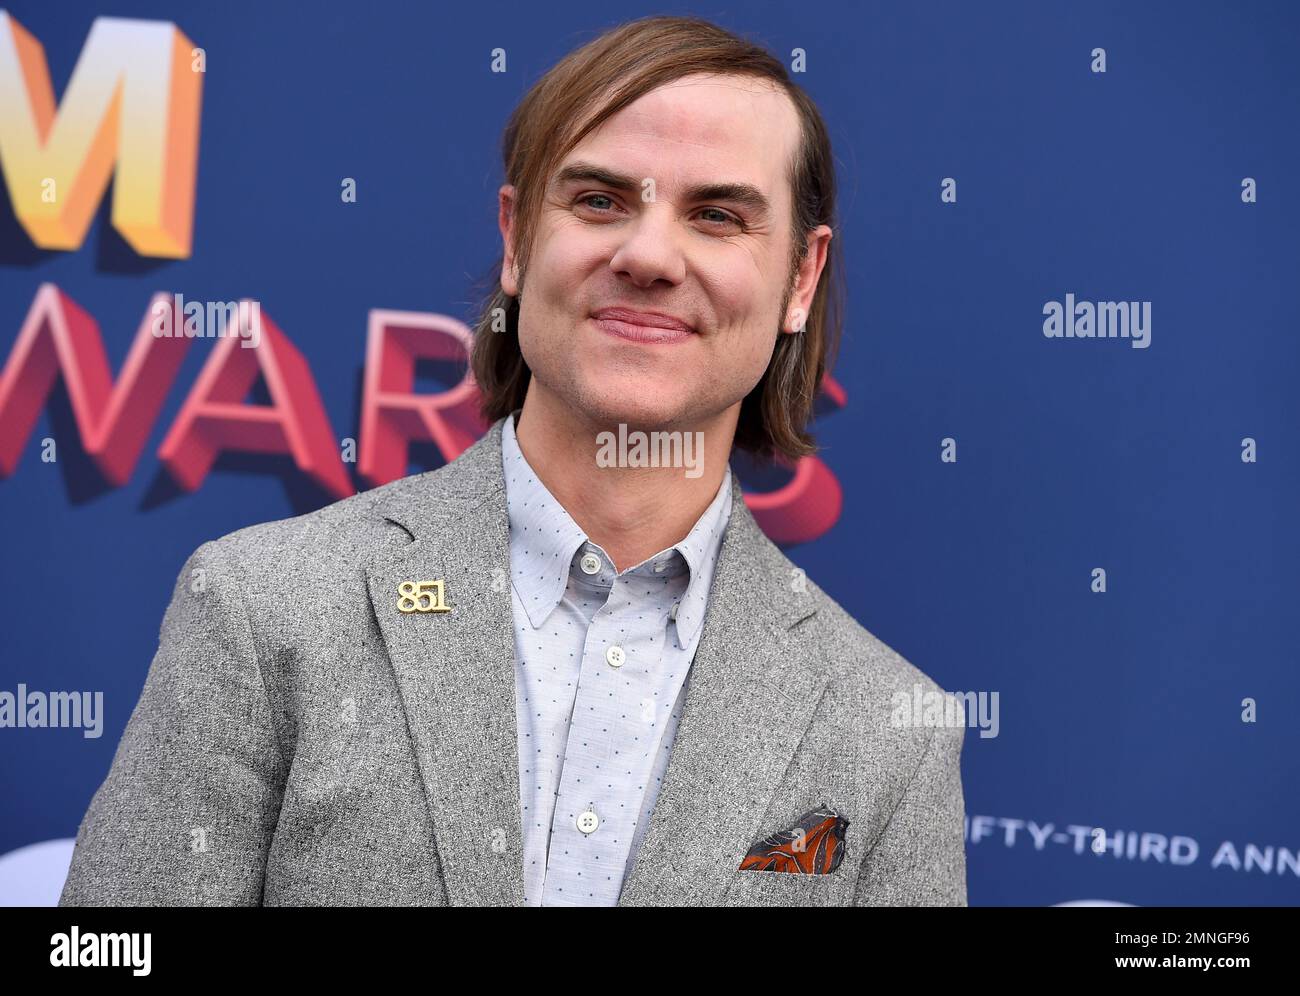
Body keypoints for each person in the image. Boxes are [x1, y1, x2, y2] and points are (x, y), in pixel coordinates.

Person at [59, 14, 967, 907]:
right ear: (517, 239)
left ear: (800, 280)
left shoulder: (887, 728)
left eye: (718, 215)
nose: (649, 254)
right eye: (600, 200)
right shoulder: (265, 610)